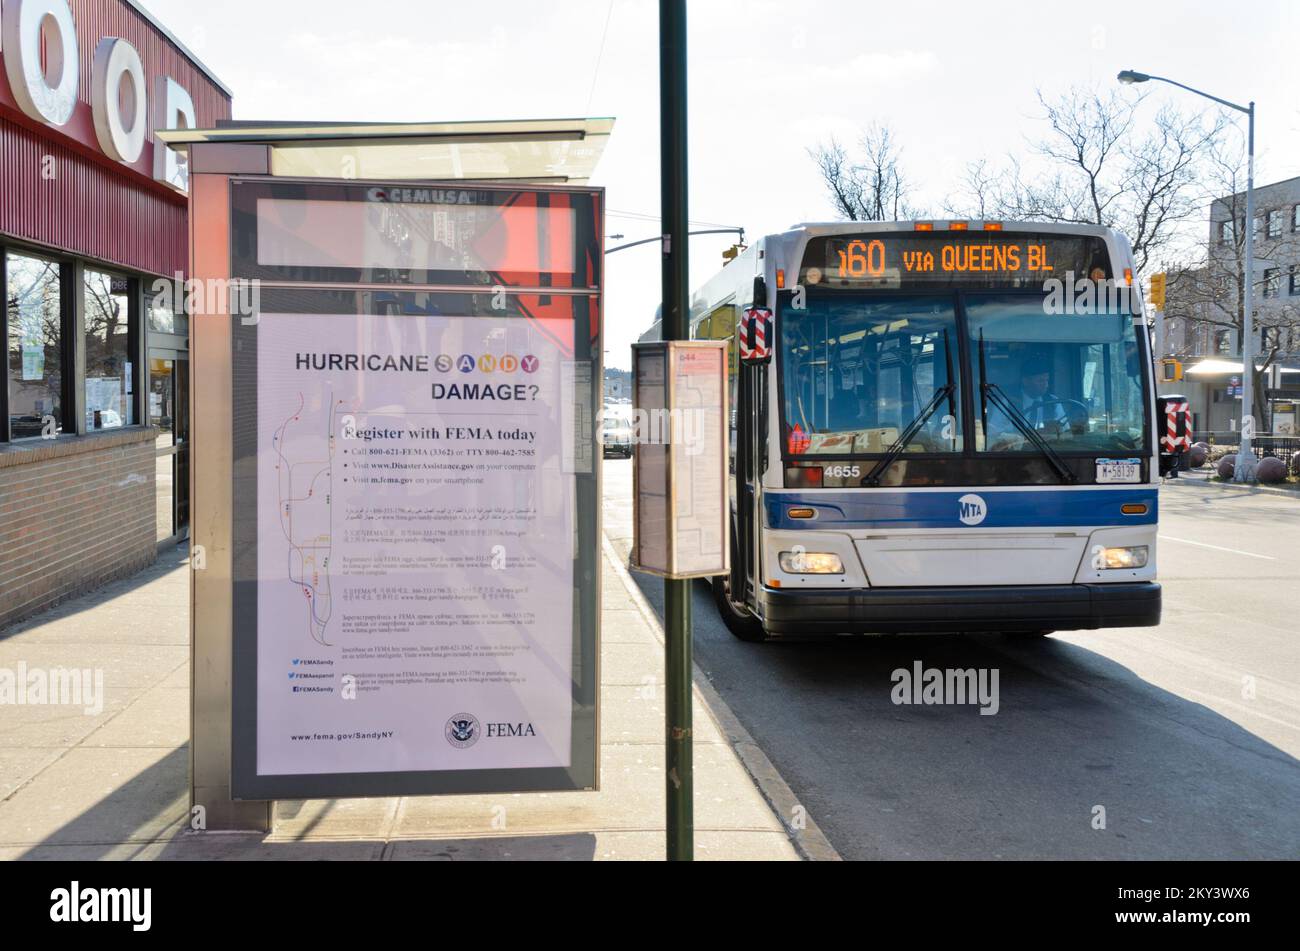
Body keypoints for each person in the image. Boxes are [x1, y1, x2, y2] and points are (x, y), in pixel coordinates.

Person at [987, 355, 1069, 449]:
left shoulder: (1054, 402)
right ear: (1026, 381)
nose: (1045, 385)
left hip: (1049, 452)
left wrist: (1056, 429)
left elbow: (1065, 431)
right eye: (1040, 381)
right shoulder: (1008, 403)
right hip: (1017, 453)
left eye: (1047, 380)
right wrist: (1018, 437)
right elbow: (993, 433)